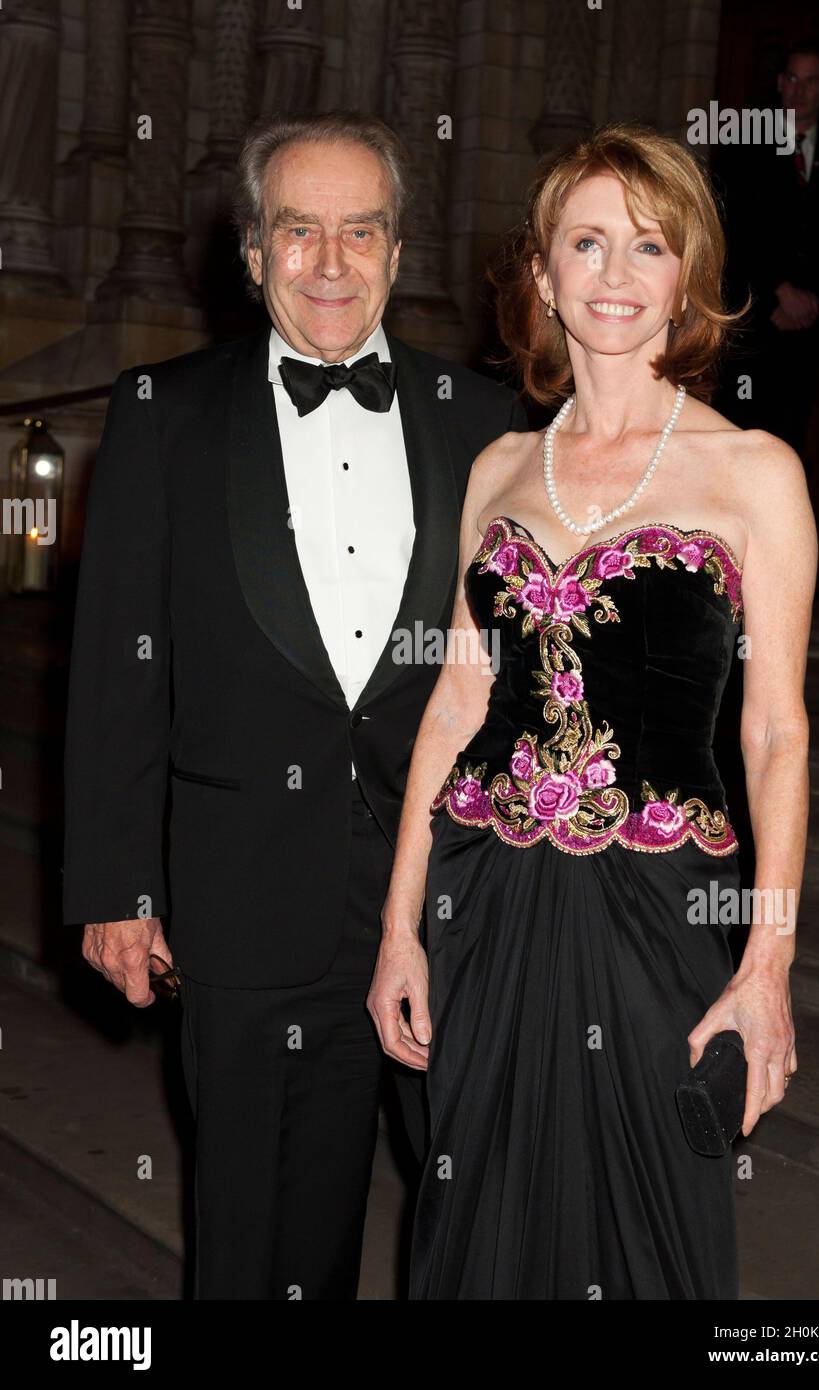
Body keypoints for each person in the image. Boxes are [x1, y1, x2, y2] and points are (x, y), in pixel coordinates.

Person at [62, 111, 527, 1300]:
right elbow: (120, 665)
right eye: (299, 232)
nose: (330, 263)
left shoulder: (481, 422)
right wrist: (116, 884)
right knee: (263, 1220)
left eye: (358, 231)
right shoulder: (163, 412)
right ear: (254, 253)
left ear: (395, 247)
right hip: (245, 879)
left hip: (447, 887)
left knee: (478, 1198)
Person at [367, 123, 815, 1300]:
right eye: (586, 242)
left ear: (688, 277)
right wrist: (401, 925)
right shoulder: (499, 469)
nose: (615, 275)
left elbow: (773, 731)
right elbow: (456, 702)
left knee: (650, 1227)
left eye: (649, 247)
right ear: (542, 273)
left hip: (656, 909)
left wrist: (765, 960)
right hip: (488, 896)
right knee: (474, 1222)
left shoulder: (754, 471)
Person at [715, 38, 819, 456]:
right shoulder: (742, 146)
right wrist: (777, 290)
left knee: (789, 442)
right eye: (792, 78)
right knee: (736, 438)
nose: (800, 90)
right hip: (752, 321)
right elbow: (730, 228)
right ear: (780, 82)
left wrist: (813, 300)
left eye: (812, 81)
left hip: (807, 332)